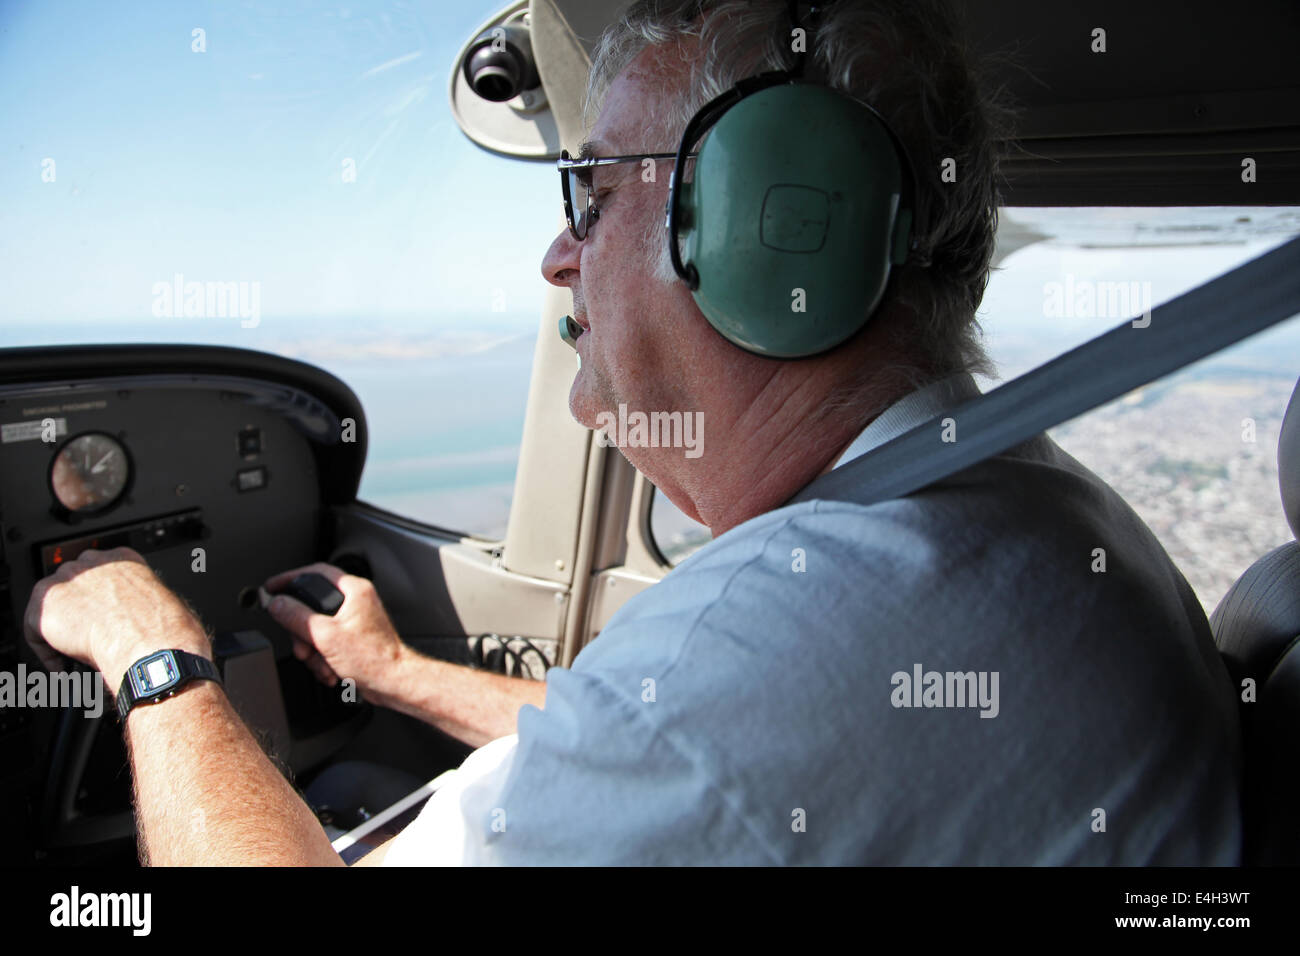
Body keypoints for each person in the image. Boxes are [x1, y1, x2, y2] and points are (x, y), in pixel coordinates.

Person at [24, 0, 1242, 865]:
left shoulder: (817, 624)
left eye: (593, 192)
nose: (556, 254)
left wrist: (154, 651)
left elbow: (704, 733)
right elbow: (660, 751)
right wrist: (393, 675)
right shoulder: (1021, 502)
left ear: (777, 232)